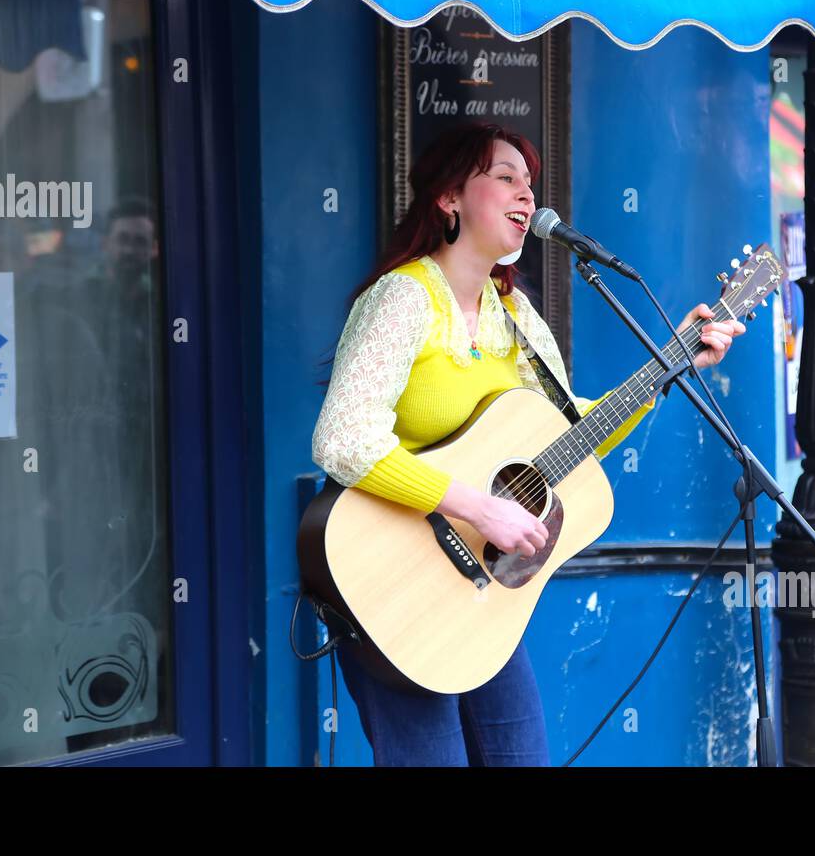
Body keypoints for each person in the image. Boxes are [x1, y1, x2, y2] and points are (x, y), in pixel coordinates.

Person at [309, 122, 744, 766]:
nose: (527, 195)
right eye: (506, 177)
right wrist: (478, 506)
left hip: (479, 595)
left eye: (530, 182)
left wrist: (668, 363)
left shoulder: (514, 314)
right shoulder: (403, 297)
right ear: (450, 198)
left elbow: (571, 433)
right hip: (389, 581)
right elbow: (342, 439)